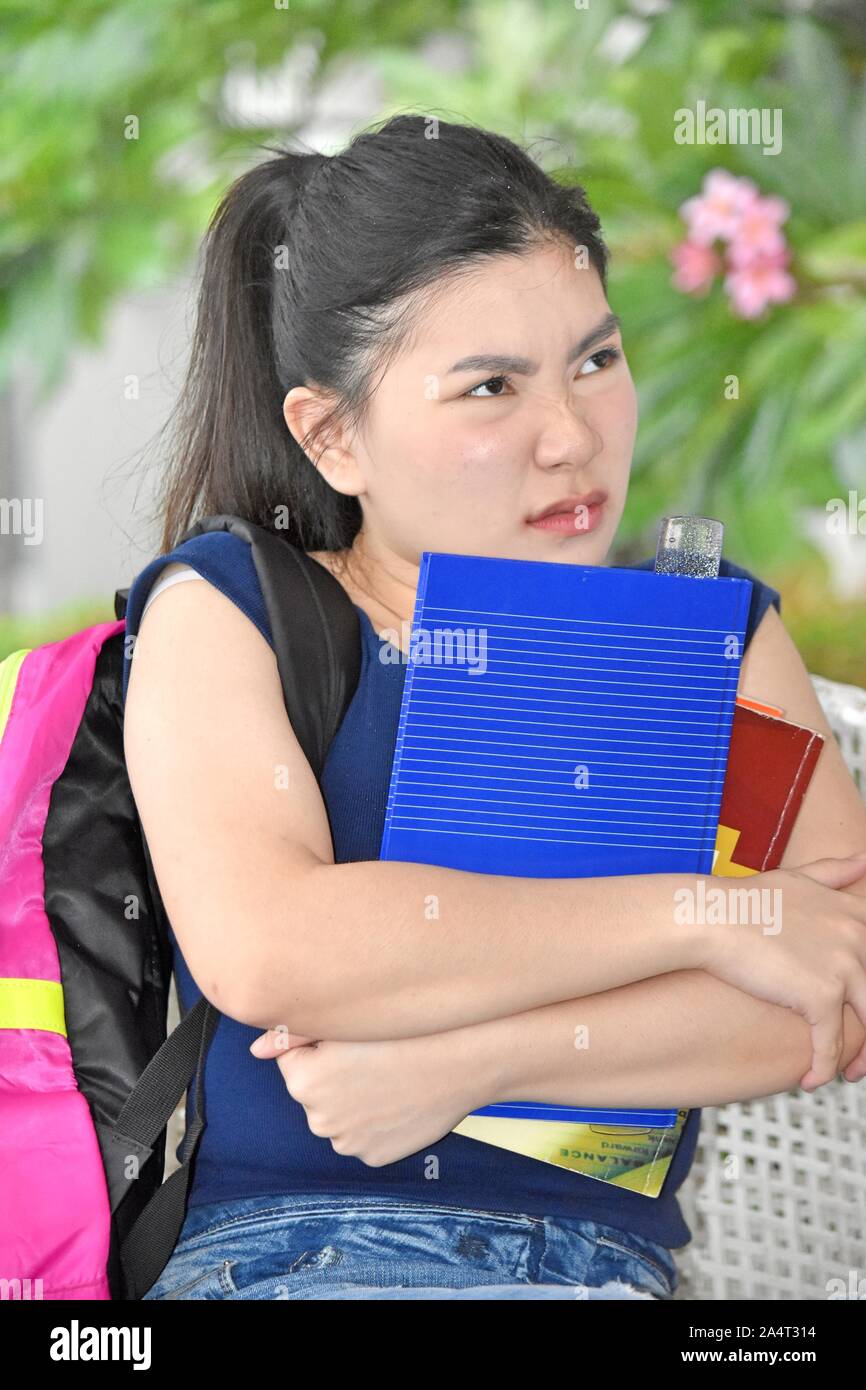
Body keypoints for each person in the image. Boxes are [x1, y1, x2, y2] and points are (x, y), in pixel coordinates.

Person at [122, 115, 866, 1301]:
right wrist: (704, 918)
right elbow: (274, 947)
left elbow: (832, 989)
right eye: (489, 386)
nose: (571, 437)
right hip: (297, 1261)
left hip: (609, 1275)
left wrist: (466, 1062)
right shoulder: (234, 607)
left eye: (594, 360)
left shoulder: (713, 631)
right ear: (332, 435)